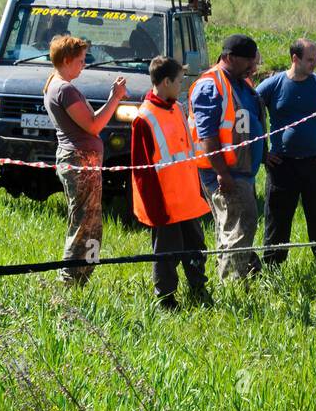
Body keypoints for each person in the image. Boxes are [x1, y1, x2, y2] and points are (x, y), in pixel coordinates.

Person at [255, 38, 316, 267]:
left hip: (315, 164)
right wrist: (262, 153)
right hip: (282, 165)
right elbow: (249, 115)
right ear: (294, 59)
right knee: (277, 220)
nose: (314, 64)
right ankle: (272, 266)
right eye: (310, 60)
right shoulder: (273, 85)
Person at [43, 35, 128, 286]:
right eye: (80, 60)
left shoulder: (55, 84)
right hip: (80, 162)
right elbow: (94, 125)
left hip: (80, 160)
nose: (84, 65)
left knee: (87, 220)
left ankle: (80, 276)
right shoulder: (65, 89)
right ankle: (70, 278)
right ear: (67, 60)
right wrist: (115, 97)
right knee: (84, 222)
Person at [130, 56, 212, 310]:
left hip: (187, 200)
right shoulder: (144, 119)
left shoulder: (177, 108)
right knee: (166, 254)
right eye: (178, 81)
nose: (181, 86)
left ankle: (199, 289)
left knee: (196, 247)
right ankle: (166, 299)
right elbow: (142, 173)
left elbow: (186, 155)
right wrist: (156, 211)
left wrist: (198, 192)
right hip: (165, 206)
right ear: (166, 82)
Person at [188, 34, 265, 281]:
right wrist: (222, 172)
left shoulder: (241, 82)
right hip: (224, 174)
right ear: (230, 57)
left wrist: (264, 154)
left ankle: (232, 278)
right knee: (239, 229)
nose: (253, 67)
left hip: (241, 171)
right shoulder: (211, 85)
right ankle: (233, 287)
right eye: (248, 62)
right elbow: (207, 135)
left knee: (232, 227)